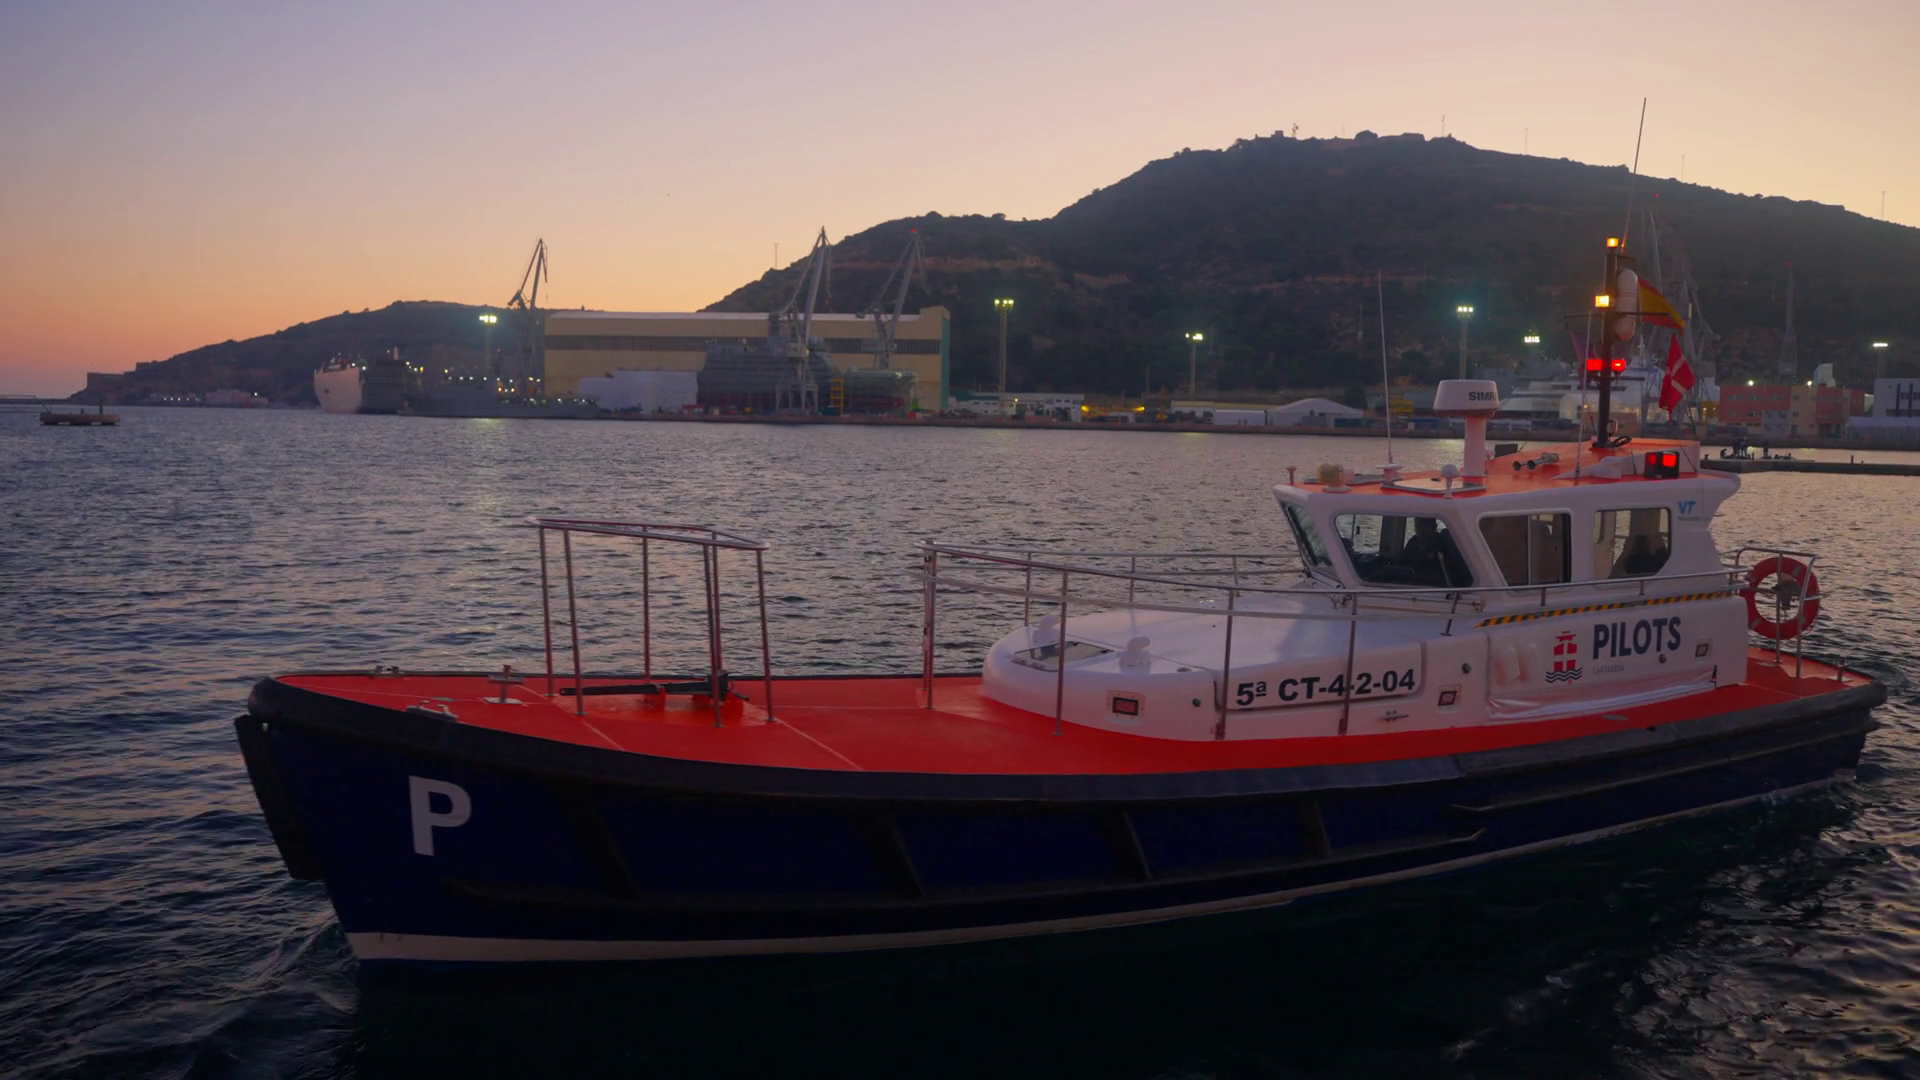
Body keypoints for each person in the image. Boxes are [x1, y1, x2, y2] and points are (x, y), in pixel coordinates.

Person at [1399, 517, 1470, 587]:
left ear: (1434, 527)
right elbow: (1402, 564)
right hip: (1412, 585)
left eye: (1425, 526)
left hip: (1437, 587)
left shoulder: (1444, 544)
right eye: (1418, 526)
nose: (1421, 530)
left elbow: (1453, 572)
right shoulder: (1413, 542)